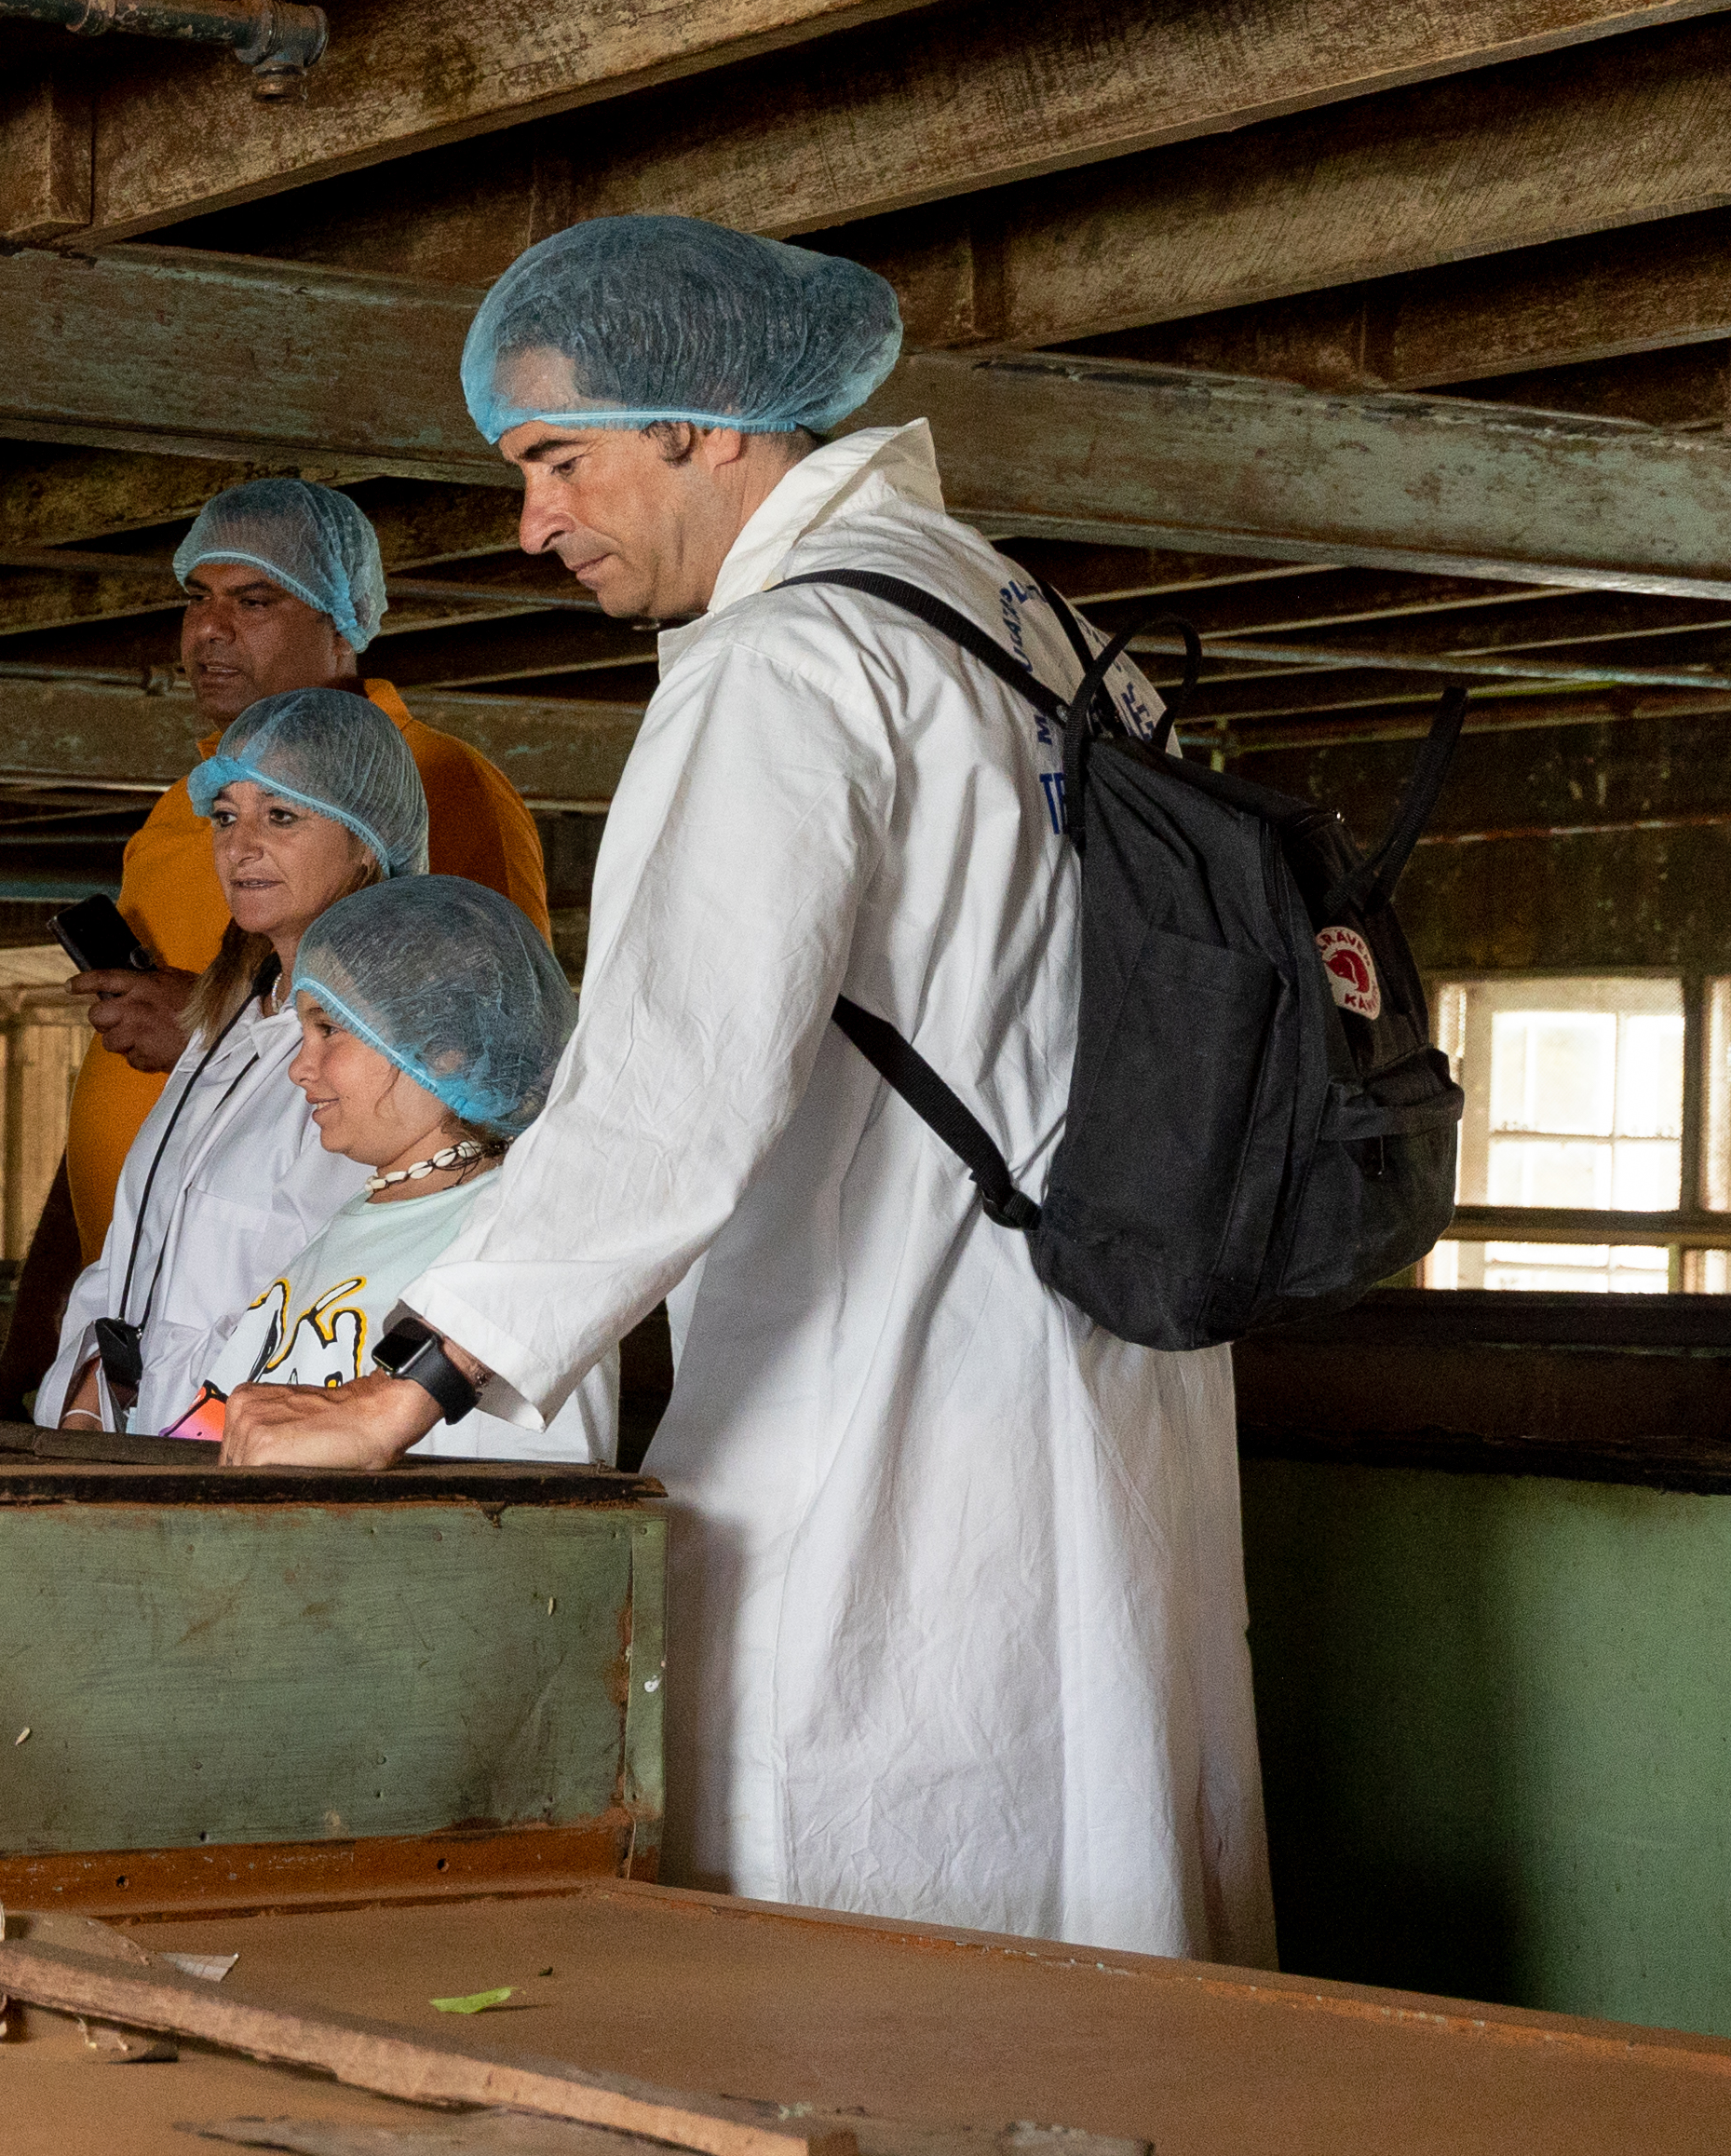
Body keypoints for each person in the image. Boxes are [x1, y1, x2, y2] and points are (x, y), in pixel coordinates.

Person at [223, 215, 1262, 1959]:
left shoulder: (786, 661)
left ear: (704, 424)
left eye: (559, 458)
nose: (530, 519)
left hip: (881, 1388)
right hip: (1108, 1360)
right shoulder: (1037, 627)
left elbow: (669, 1089)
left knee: (858, 1910)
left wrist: (408, 1389)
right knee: (1101, 1856)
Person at [5, 476, 547, 1409]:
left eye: (252, 599)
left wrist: (216, 1419)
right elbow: (138, 1166)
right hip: (143, 1380)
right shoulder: (178, 827)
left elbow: (480, 1064)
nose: (209, 628)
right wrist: (77, 1374)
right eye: (197, 598)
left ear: (344, 620)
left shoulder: (437, 780)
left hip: (270, 1409)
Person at [50, 685, 404, 1434]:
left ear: (367, 839)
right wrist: (84, 1410)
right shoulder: (233, 1026)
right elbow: (131, 1259)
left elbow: (346, 1307)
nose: (240, 846)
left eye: (281, 816)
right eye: (225, 817)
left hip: (240, 1473)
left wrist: (200, 1443)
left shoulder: (385, 1050)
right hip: (139, 1457)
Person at [192, 873, 615, 1467]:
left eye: (329, 1031)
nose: (299, 1070)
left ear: (446, 1048)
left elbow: (529, 1515)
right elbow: (218, 1430)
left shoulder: (520, 1241)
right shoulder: (360, 1217)